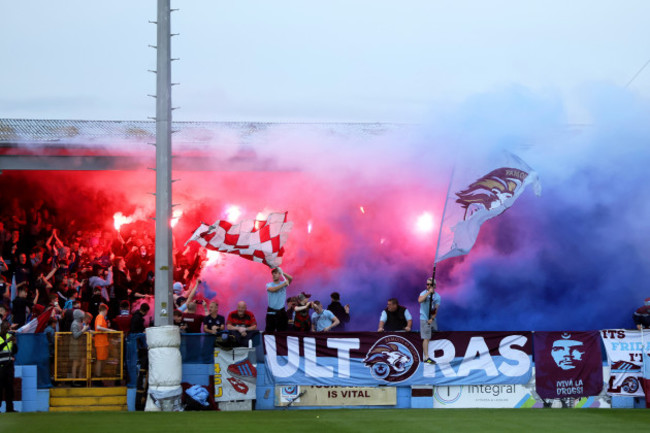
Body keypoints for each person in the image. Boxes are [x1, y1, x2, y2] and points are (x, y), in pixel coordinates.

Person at [418, 278, 441, 364]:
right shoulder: (423, 293)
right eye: (427, 284)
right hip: (424, 318)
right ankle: (426, 357)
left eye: (430, 285)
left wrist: (432, 318)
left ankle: (435, 353)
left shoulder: (438, 297)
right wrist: (428, 292)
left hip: (432, 319)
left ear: (434, 286)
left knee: (434, 334)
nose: (428, 286)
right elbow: (420, 300)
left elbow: (435, 309)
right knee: (426, 338)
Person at [265, 267, 293, 332]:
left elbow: (291, 278)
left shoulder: (284, 283)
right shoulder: (268, 285)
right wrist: (284, 284)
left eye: (275, 273)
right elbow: (273, 289)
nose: (274, 275)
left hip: (281, 310)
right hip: (271, 310)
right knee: (269, 330)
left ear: (279, 274)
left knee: (282, 331)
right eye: (273, 274)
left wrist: (283, 272)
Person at [0, 320, 18, 412]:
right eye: (5, 328)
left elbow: (14, 351)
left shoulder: (9, 337)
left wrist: (14, 343)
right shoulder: (3, 338)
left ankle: (10, 408)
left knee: (9, 388)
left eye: (8, 328)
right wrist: (7, 341)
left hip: (9, 366)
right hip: (1, 367)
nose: (7, 330)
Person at [93, 303, 111, 381]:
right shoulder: (100, 317)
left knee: (102, 359)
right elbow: (98, 327)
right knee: (100, 360)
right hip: (100, 342)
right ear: (105, 310)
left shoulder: (101, 318)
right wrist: (110, 330)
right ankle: (98, 377)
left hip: (102, 342)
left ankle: (98, 375)